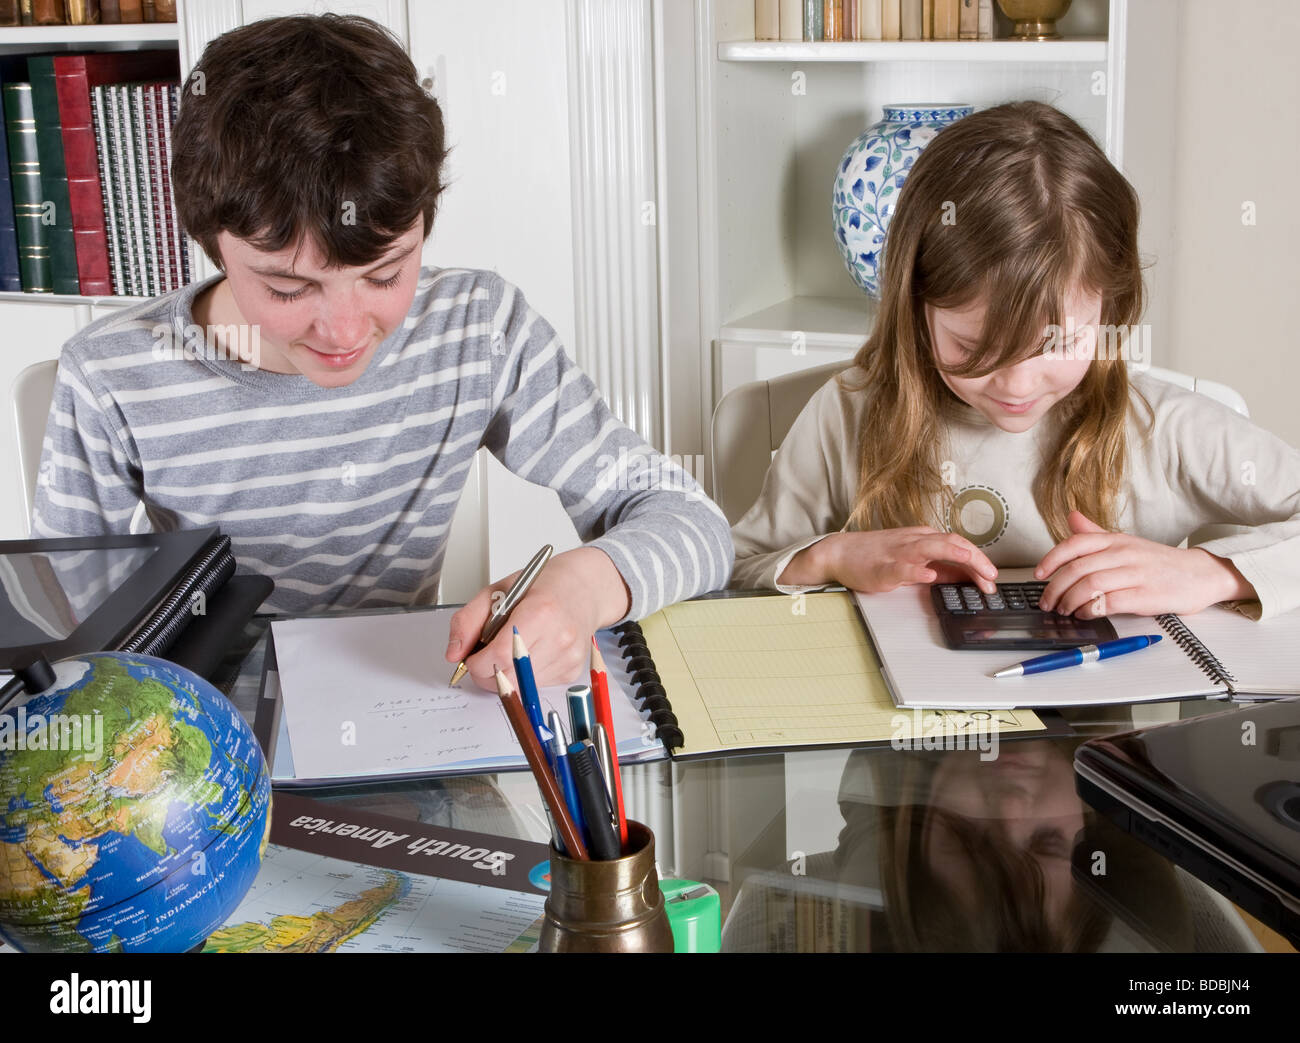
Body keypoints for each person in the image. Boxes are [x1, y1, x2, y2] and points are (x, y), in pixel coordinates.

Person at [31, 14, 733, 690]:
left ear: (425, 223)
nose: (343, 332)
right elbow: (66, 640)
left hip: (410, 718)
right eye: (287, 286)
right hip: (204, 737)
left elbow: (694, 523)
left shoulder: (479, 328)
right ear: (213, 242)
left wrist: (583, 586)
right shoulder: (113, 373)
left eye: (385, 274)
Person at [730, 101, 1300, 622]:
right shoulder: (848, 412)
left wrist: (1208, 573)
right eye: (973, 348)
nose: (1017, 383)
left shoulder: (1163, 428)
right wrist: (831, 557)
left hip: (1098, 733)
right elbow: (732, 569)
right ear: (915, 306)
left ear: (1111, 307)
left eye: (1058, 343)